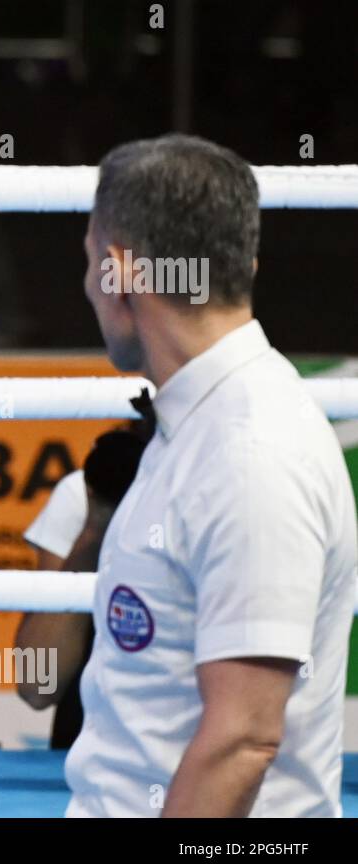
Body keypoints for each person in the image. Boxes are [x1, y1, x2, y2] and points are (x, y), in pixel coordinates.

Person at [66, 134, 357, 817]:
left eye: (88, 263)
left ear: (118, 272)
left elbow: (243, 738)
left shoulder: (252, 451)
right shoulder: (194, 426)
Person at [16, 408, 151, 749]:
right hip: (87, 747)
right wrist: (97, 527)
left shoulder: (224, 494)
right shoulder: (85, 492)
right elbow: (37, 686)